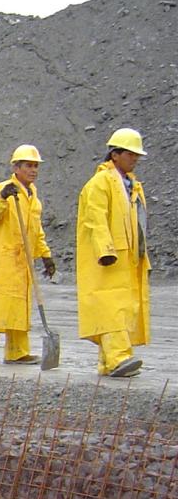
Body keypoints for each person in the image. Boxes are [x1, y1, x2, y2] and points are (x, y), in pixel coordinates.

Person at [0, 144, 56, 366]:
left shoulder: (32, 197)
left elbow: (36, 230)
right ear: (16, 167)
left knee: (19, 306)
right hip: (0, 260)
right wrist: (2, 197)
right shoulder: (4, 188)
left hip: (20, 261)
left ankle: (17, 352)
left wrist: (45, 255)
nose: (33, 170)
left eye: (36, 166)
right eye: (28, 165)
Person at [75, 128, 150, 378]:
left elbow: (137, 224)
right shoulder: (100, 183)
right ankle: (119, 358)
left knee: (120, 308)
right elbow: (95, 218)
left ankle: (107, 362)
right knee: (112, 310)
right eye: (130, 154)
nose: (135, 159)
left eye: (136, 155)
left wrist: (140, 254)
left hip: (126, 259)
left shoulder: (131, 185)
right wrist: (105, 250)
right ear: (114, 154)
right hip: (108, 258)